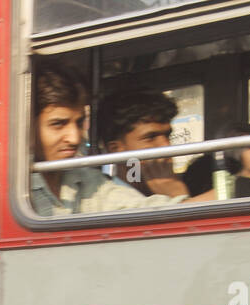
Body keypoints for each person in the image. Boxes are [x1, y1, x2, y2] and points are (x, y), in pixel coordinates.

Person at [30, 67, 213, 216]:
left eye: (79, 123)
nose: (75, 138)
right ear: (117, 149)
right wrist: (171, 190)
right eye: (150, 138)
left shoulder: (88, 181)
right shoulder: (129, 172)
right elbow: (132, 182)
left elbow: (138, 205)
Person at [97, 88, 192, 199]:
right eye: (150, 137)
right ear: (116, 149)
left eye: (167, 135)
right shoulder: (109, 200)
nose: (166, 145)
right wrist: (175, 193)